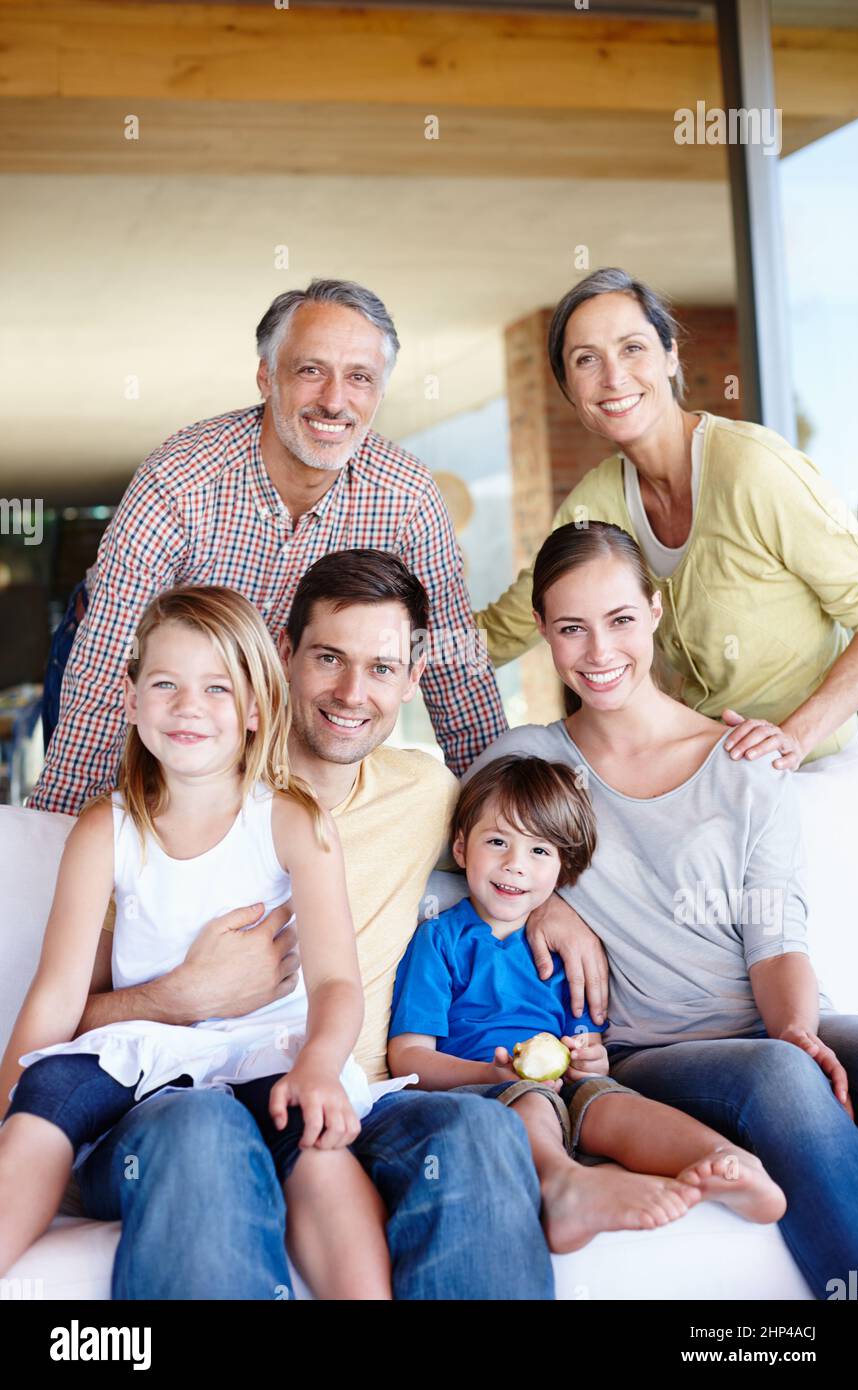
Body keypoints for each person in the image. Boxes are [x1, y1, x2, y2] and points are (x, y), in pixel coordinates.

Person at [36, 550, 559, 1300]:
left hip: (366, 1096)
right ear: (283, 657)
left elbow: (521, 840)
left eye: (382, 668)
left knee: (480, 1133)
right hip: (189, 1094)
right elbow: (70, 1018)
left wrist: (560, 903)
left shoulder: (428, 793)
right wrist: (178, 995)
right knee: (203, 1135)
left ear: (414, 680)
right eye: (328, 658)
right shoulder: (186, 798)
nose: (352, 693)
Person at [465, 519, 858, 1299]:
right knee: (783, 1079)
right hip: (653, 1051)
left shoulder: (745, 762)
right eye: (571, 629)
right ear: (545, 634)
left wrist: (796, 1030)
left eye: (618, 620)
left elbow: (776, 931)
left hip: (775, 1020)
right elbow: (461, 870)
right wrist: (545, 909)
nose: (599, 651)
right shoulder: (528, 763)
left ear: (654, 608)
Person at [1, 584, 414, 1299]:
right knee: (44, 1095)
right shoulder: (107, 829)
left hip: (263, 1048)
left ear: (256, 709)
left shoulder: (291, 820)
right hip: (140, 1056)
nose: (188, 706)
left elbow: (337, 982)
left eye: (216, 688)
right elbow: (57, 995)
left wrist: (319, 1063)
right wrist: (8, 1094)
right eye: (166, 683)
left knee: (320, 1149)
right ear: (131, 699)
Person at [30, 277, 507, 816]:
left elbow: (449, 658)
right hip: (150, 666)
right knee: (124, 824)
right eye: (311, 370)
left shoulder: (409, 497)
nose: (334, 400)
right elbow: (111, 659)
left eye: (359, 378)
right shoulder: (181, 476)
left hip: (280, 686)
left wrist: (507, 818)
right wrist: (59, 830)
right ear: (265, 376)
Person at [388, 753, 787, 1254]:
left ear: (562, 866)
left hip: (566, 1086)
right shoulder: (440, 940)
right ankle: (562, 1185)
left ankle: (724, 1160)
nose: (515, 863)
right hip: (484, 1089)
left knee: (610, 1101)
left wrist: (589, 1057)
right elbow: (407, 1059)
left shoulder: (565, 948)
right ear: (462, 849)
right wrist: (490, 1076)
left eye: (539, 850)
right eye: (497, 842)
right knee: (532, 1100)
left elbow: (587, 1044)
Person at [475, 267, 858, 773]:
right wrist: (391, 651)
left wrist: (795, 736)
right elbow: (504, 630)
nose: (613, 377)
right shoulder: (594, 503)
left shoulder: (754, 470)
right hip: (709, 775)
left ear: (671, 354)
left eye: (632, 348)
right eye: (586, 360)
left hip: (814, 771)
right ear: (569, 388)